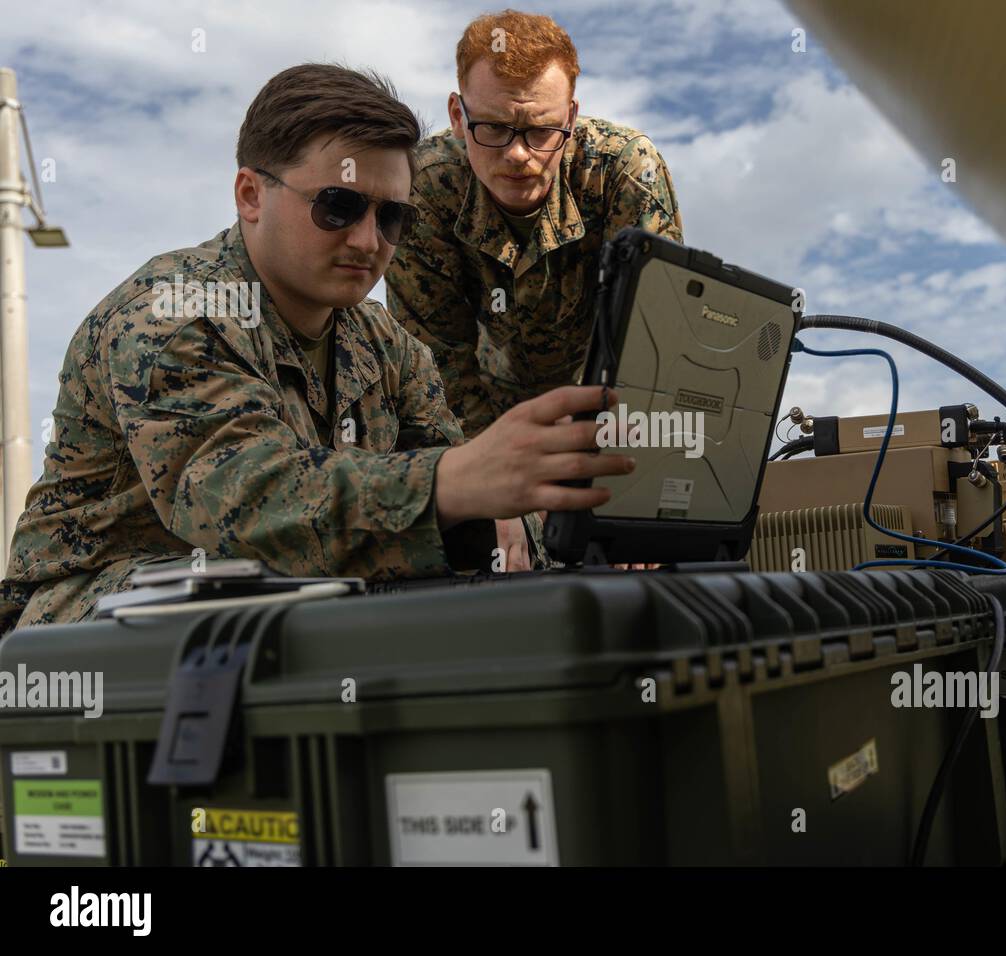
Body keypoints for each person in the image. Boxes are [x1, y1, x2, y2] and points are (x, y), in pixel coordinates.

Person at [0, 63, 633, 633]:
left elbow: (457, 489)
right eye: (339, 206)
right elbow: (248, 508)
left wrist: (508, 515)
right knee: (251, 604)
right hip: (92, 616)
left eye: (392, 218)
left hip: (285, 600)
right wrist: (454, 483)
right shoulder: (174, 312)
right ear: (251, 195)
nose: (368, 241)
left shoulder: (387, 346)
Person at [386, 9, 684, 441]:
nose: (518, 156)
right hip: (486, 408)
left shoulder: (624, 172)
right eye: (493, 127)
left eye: (541, 131)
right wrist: (493, 481)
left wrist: (586, 460)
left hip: (607, 409)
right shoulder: (425, 188)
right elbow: (437, 364)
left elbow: (647, 342)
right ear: (457, 115)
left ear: (570, 117)